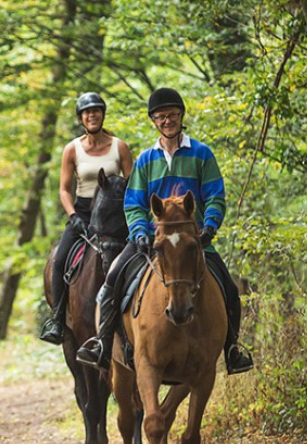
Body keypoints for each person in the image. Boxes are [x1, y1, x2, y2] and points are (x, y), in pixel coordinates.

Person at [75, 87, 253, 375]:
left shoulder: (201, 154)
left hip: (194, 240)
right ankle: (102, 344)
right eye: (160, 117)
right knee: (111, 281)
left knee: (230, 290)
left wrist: (209, 226)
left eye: (171, 115)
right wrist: (140, 232)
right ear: (154, 121)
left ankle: (233, 350)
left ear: (181, 116)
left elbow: (215, 196)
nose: (167, 120)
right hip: (153, 241)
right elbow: (133, 203)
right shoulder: (146, 160)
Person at [40, 92, 133, 344]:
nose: (92, 115)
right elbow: (63, 189)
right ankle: (58, 320)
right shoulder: (72, 149)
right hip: (82, 214)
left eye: (96, 111)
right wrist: (72, 216)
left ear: (103, 114)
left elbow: (133, 185)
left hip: (115, 217)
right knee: (59, 260)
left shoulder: (119, 146)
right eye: (87, 112)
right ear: (81, 118)